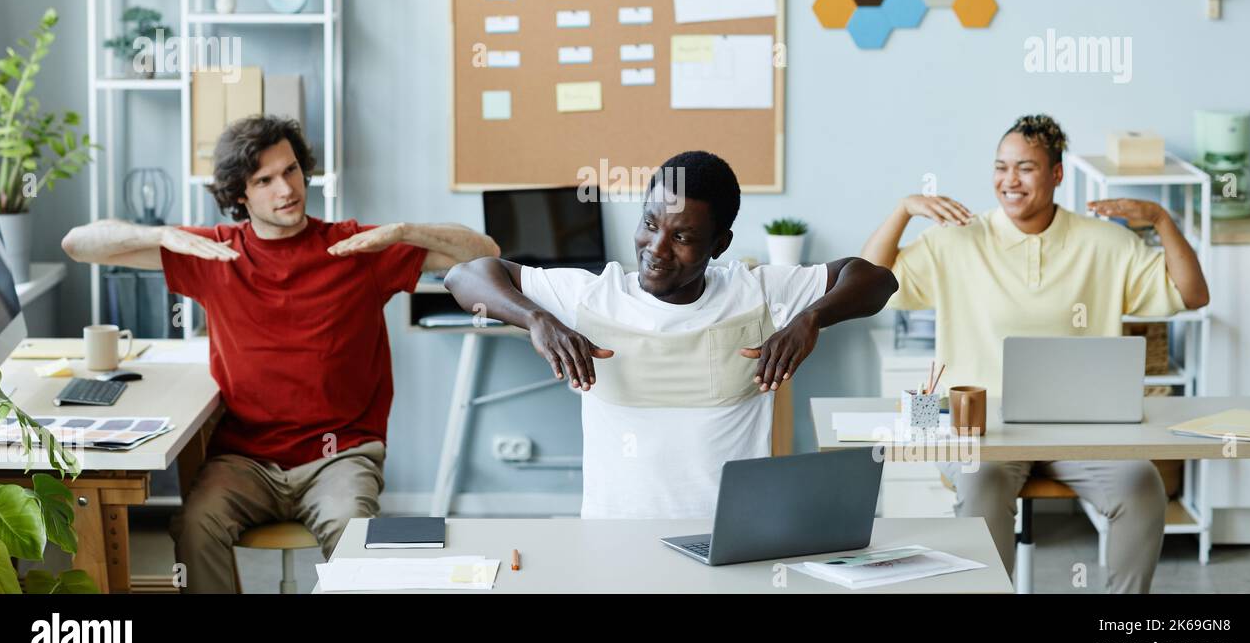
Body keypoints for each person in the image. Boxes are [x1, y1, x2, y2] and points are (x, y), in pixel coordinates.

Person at [61, 115, 499, 592]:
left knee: (355, 537)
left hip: (340, 456)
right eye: (264, 180)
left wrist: (404, 230)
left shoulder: (355, 246)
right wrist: (159, 235)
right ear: (240, 194)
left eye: (290, 171)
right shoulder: (214, 254)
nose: (285, 189)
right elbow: (78, 245)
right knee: (195, 525)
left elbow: (484, 249)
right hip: (245, 460)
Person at [860, 114, 1209, 593]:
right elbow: (867, 284)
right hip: (982, 431)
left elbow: (1192, 295)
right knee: (980, 484)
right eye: (1001, 167)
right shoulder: (957, 239)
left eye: (1025, 168)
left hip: (1084, 429)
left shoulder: (1105, 242)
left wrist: (1162, 220)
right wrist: (903, 209)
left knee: (1142, 486)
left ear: (1057, 175)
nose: (1010, 180)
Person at [445, 150, 897, 519]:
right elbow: (465, 276)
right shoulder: (592, 296)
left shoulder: (757, 293)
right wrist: (537, 319)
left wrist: (809, 319)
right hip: (613, 537)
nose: (656, 249)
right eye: (649, 223)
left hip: (730, 534)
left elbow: (876, 280)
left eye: (682, 237)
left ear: (719, 244)